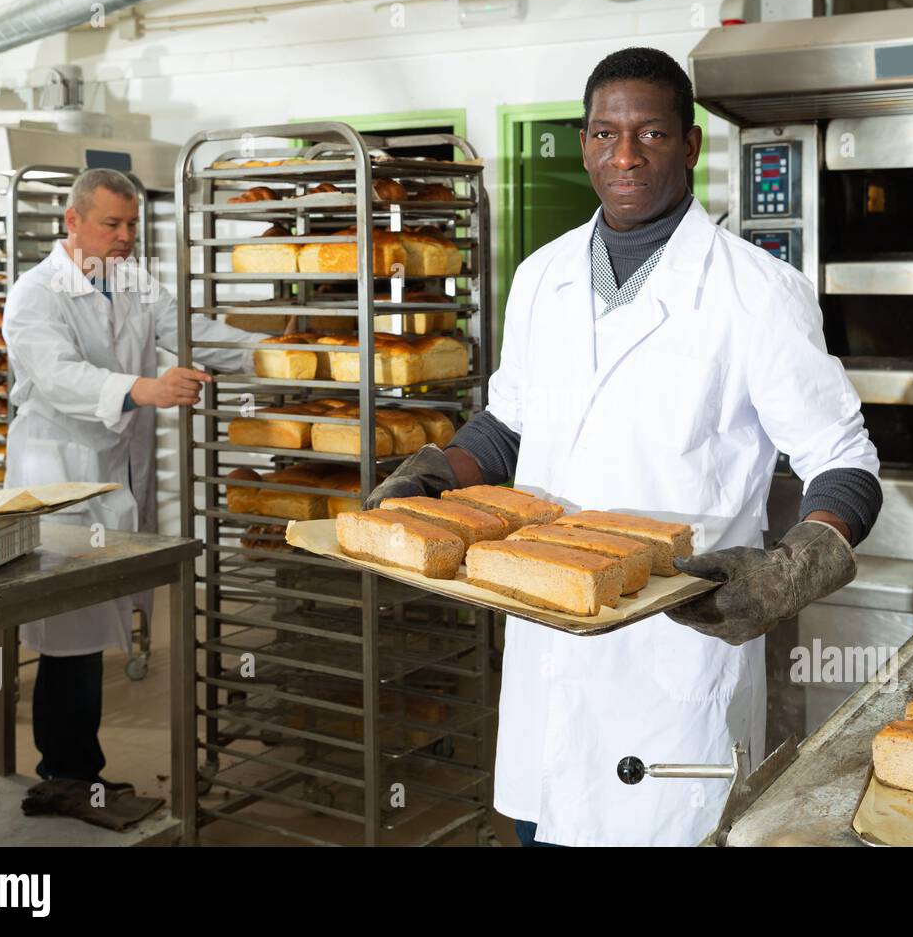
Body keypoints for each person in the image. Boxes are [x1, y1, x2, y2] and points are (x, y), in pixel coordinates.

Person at [368, 47, 883, 846]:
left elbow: (842, 457)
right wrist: (436, 474)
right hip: (549, 635)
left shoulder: (755, 291)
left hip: (675, 653)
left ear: (690, 145)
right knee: (546, 828)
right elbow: (508, 425)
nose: (626, 155)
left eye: (650, 133)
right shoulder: (542, 277)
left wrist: (797, 565)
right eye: (606, 133)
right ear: (584, 144)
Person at [3, 168, 270, 787]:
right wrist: (144, 388)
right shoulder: (35, 292)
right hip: (62, 475)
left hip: (116, 476)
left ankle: (75, 776)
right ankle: (66, 778)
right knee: (71, 634)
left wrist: (278, 349)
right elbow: (56, 375)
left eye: (131, 224)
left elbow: (191, 334)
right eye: (111, 224)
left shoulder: (132, 281)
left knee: (93, 627)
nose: (125, 236)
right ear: (72, 222)